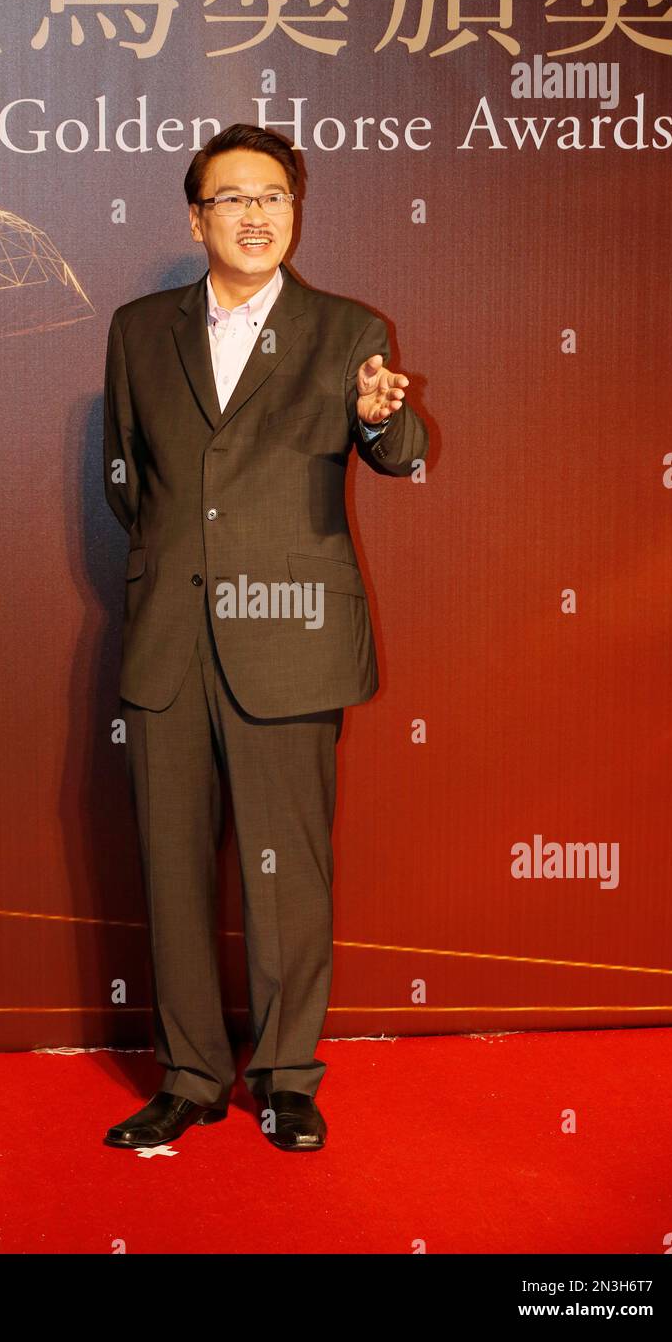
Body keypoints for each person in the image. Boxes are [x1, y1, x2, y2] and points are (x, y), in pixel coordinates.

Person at [102, 123, 428, 1152]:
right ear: (193, 217)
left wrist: (379, 420)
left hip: (288, 637)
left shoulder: (345, 329)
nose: (255, 214)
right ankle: (191, 1074)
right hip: (168, 637)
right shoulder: (136, 328)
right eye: (231, 197)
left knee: (288, 871)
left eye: (274, 196)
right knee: (169, 864)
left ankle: (288, 1078)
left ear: (296, 211)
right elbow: (127, 482)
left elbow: (401, 447)